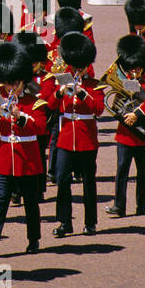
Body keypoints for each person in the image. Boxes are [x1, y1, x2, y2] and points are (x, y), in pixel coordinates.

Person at [0, 44, 46, 257]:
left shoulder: (34, 102)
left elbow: (41, 127)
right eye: (7, 83)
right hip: (6, 157)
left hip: (28, 158)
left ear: (23, 81)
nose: (10, 87)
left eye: (14, 83)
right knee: (0, 201)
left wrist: (20, 116)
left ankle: (33, 239)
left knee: (30, 203)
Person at [46, 32, 103, 237]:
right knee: (62, 180)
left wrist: (82, 93)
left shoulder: (94, 86)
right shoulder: (61, 80)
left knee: (89, 182)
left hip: (87, 139)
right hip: (66, 138)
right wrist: (59, 92)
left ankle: (90, 222)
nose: (78, 70)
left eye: (81, 66)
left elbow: (98, 109)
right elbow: (50, 105)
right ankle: (64, 222)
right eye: (75, 66)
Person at [105, 35, 145, 219]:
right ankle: (119, 205)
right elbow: (115, 106)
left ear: (142, 67)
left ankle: (141, 205)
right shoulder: (123, 85)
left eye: (138, 68)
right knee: (121, 170)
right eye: (131, 69)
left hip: (142, 136)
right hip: (125, 135)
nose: (135, 72)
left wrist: (136, 114)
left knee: (142, 172)